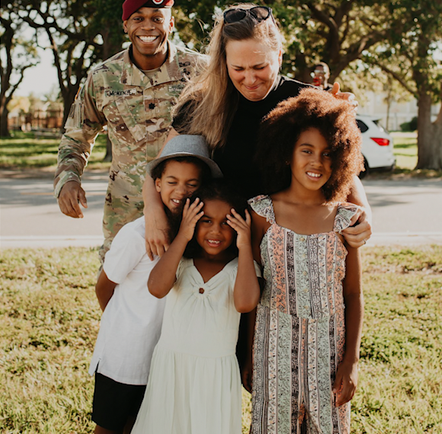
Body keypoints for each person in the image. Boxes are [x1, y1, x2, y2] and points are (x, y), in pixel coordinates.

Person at [140, 3, 372, 259]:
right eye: (238, 69)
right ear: (224, 61)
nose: (250, 80)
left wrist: (363, 210)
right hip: (221, 246)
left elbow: (339, 167)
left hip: (288, 245)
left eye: (260, 67)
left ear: (279, 56)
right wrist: (153, 213)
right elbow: (158, 169)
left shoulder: (307, 101)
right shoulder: (202, 104)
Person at [54, 0, 208, 259]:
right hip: (125, 209)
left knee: (188, 278)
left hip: (191, 204)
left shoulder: (201, 72)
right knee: (116, 276)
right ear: (126, 26)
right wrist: (68, 179)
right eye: (138, 18)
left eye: (157, 18)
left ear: (170, 24)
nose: (148, 26)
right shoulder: (103, 77)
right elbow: (76, 138)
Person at [245, 89, 364, 434]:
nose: (317, 162)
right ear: (287, 153)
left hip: (330, 356)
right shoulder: (262, 213)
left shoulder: (345, 218)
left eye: (328, 153)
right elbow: (254, 289)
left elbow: (354, 294)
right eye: (307, 151)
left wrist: (351, 361)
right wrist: (248, 354)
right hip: (273, 352)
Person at [87, 135, 222, 434]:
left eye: (191, 184)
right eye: (172, 181)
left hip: (165, 360)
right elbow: (103, 286)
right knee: (109, 428)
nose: (181, 191)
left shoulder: (198, 237)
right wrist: (123, 326)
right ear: (157, 184)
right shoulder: (136, 235)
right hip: (124, 358)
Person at [131, 181, 260, 434]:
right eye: (206, 221)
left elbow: (245, 304)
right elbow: (156, 288)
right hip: (172, 367)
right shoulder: (179, 261)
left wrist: (245, 245)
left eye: (227, 223)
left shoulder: (241, 268)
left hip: (215, 371)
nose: (216, 231)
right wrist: (183, 234)